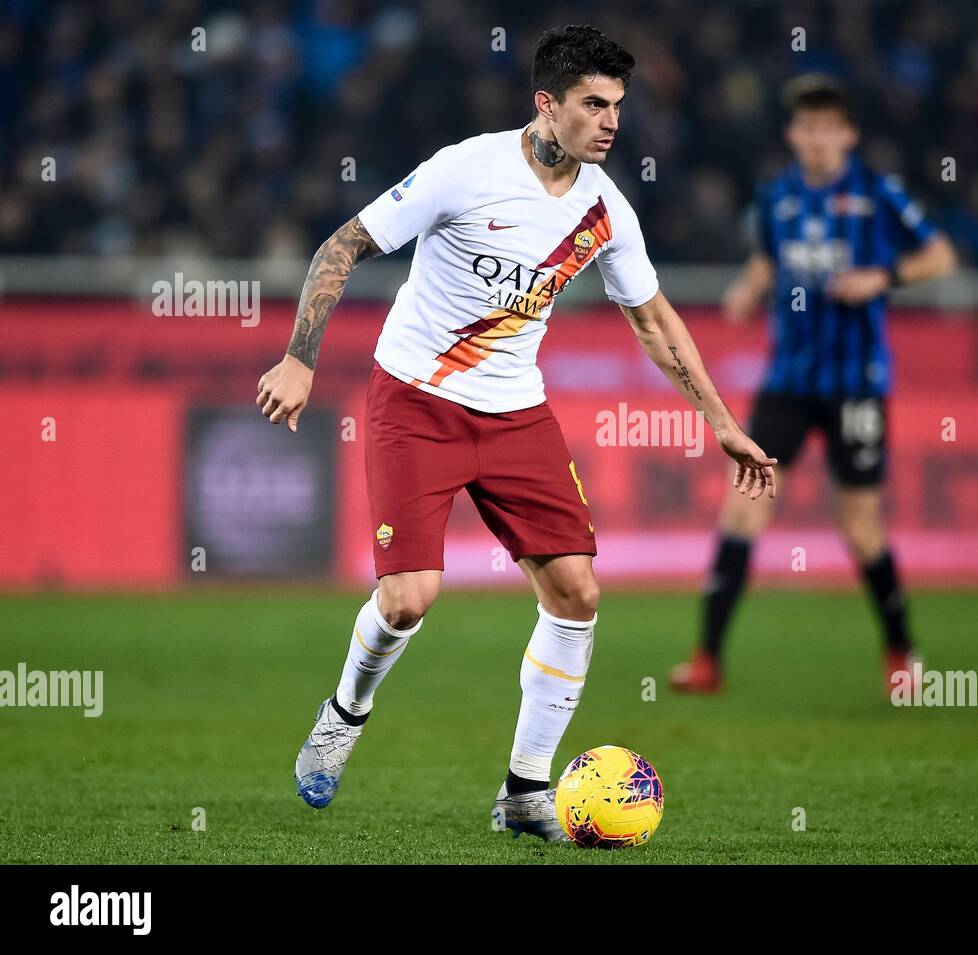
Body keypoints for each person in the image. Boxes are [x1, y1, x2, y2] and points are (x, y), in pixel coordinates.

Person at [255, 25, 776, 841]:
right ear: (546, 103)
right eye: (593, 104)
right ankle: (344, 712)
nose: (610, 121)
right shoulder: (468, 169)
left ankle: (525, 792)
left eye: (617, 106)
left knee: (578, 592)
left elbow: (654, 321)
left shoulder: (605, 207)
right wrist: (298, 359)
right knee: (407, 599)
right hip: (414, 401)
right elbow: (342, 245)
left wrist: (722, 423)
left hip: (515, 414)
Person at [671, 74, 957, 697]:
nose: (817, 138)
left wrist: (883, 277)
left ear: (848, 134)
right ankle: (706, 660)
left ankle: (901, 656)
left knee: (859, 525)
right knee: (742, 506)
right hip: (789, 382)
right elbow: (771, 257)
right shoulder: (777, 197)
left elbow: (940, 256)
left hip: (857, 383)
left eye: (829, 126)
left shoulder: (877, 193)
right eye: (806, 126)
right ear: (792, 134)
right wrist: (750, 285)